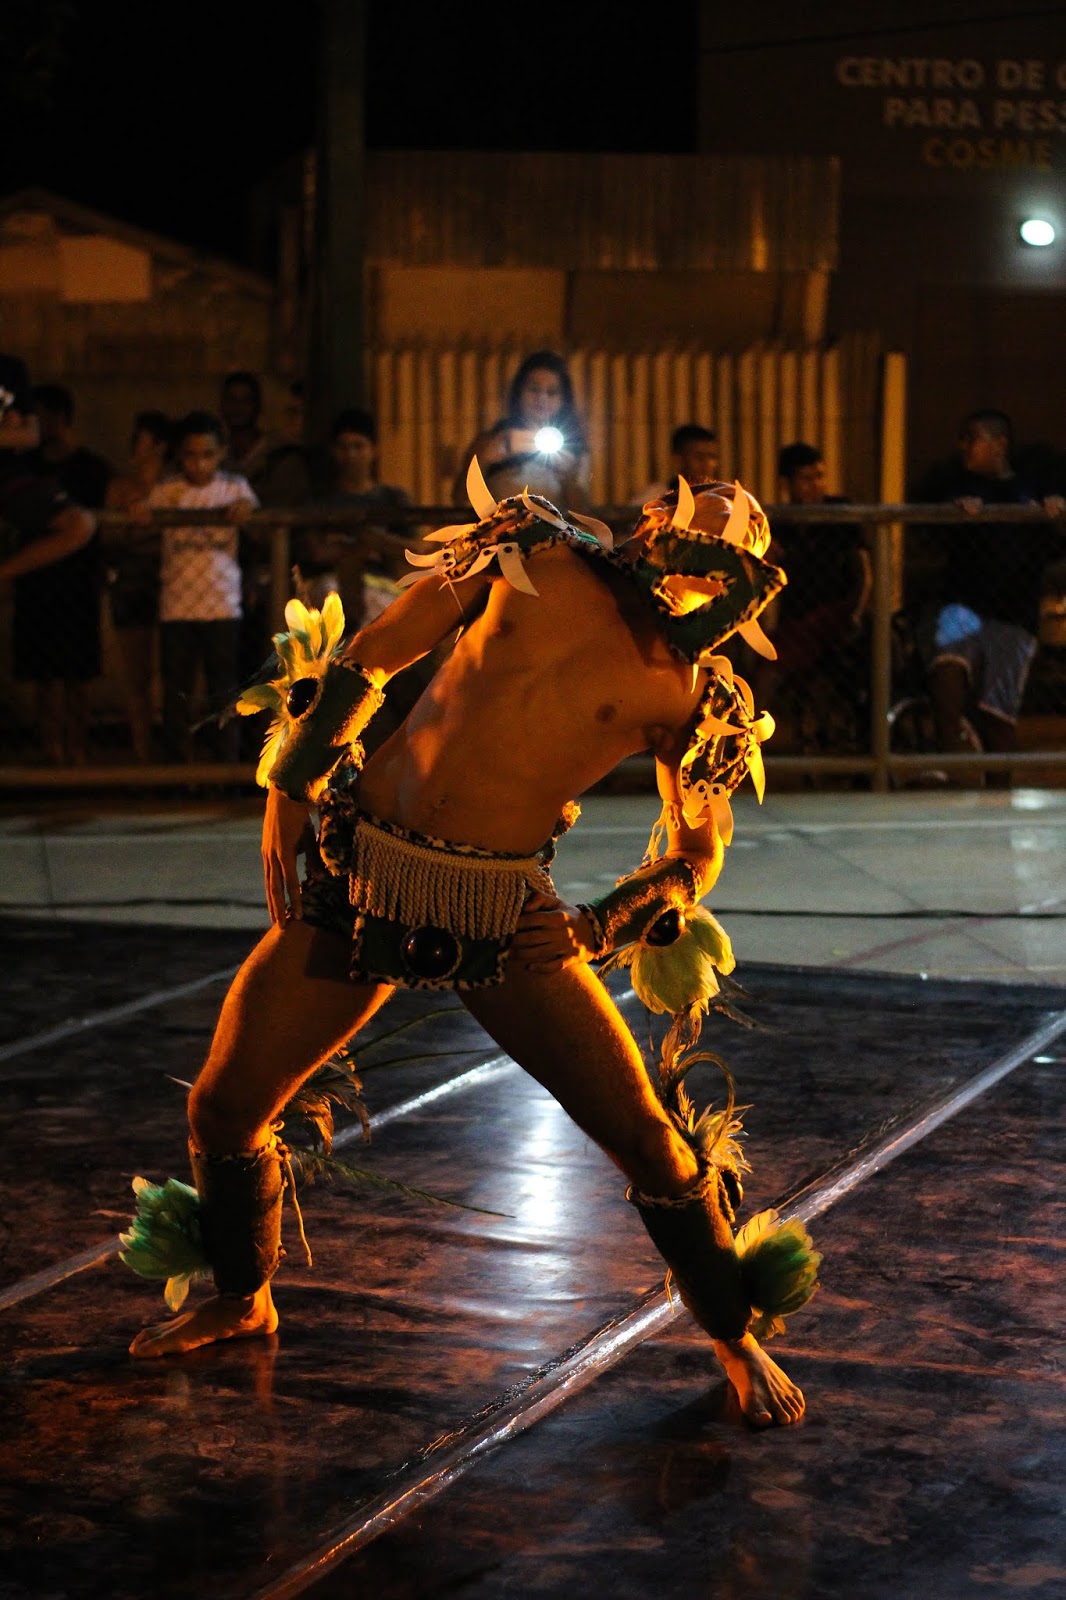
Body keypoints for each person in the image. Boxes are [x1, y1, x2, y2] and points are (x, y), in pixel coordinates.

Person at [122, 466, 820, 1430]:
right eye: (663, 519)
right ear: (646, 523)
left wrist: (597, 924)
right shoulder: (530, 550)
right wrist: (292, 776)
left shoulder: (693, 692)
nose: (666, 543)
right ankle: (246, 1294)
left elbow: (695, 852)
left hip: (504, 911)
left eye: (696, 549)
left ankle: (732, 1333)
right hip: (360, 872)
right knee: (224, 1105)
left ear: (727, 586)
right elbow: (374, 650)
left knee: (649, 1141)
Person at [924, 409, 1064, 784]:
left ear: (1000, 444)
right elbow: (937, 506)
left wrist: (1052, 511)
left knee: (996, 716)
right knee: (946, 680)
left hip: (1012, 616)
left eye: (975, 438)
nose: (966, 446)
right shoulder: (959, 483)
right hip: (965, 607)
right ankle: (952, 774)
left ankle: (997, 794)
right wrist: (956, 508)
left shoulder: (1028, 487)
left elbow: (1053, 544)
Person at [137, 410, 257, 763]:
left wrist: (245, 508)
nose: (199, 464)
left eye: (207, 455)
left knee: (223, 688)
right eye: (190, 455)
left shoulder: (233, 488)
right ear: (179, 455)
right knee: (177, 689)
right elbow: (143, 510)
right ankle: (177, 768)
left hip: (221, 603)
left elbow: (252, 508)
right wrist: (140, 510)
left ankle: (225, 767)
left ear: (220, 454)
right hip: (177, 605)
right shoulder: (169, 491)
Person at [0, 382, 107, 763]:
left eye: (46, 417)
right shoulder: (27, 471)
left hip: (77, 584)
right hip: (38, 585)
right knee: (45, 675)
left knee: (78, 676)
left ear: (62, 418)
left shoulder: (88, 468)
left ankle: (77, 753)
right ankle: (52, 754)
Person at [754, 442, 870, 755]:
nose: (816, 485)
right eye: (806, 479)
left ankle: (742, 740)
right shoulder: (781, 523)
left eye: (819, 476)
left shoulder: (838, 512)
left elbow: (863, 570)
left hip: (835, 611)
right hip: (797, 616)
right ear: (787, 484)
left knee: (768, 671)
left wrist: (857, 612)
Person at [295, 407, 411, 625]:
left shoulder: (392, 499)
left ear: (374, 450)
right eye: (343, 447)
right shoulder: (319, 500)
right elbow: (316, 552)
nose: (350, 455)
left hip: (380, 584)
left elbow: (410, 551)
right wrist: (369, 544)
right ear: (333, 450)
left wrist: (356, 545)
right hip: (328, 582)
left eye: (358, 446)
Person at [104, 411, 173, 762]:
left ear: (160, 446)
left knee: (173, 672)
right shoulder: (121, 487)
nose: (134, 446)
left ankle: (175, 753)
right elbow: (109, 535)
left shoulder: (175, 487)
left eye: (141, 439)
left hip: (174, 585)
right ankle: (144, 754)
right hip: (132, 584)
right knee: (137, 677)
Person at [452, 351, 590, 511]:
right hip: (502, 533)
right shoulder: (492, 441)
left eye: (552, 392)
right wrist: (483, 461)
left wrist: (571, 479)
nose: (542, 398)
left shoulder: (573, 449)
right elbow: (459, 500)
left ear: (563, 400)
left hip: (554, 534)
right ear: (519, 392)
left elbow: (583, 513)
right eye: (534, 389)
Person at [632, 423, 720, 506]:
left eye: (712, 457)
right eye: (698, 457)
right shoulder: (654, 499)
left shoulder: (723, 498)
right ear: (678, 459)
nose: (707, 463)